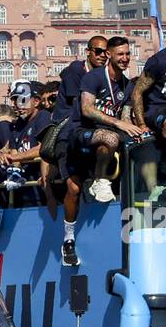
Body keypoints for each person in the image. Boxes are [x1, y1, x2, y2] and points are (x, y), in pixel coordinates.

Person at [57, 36, 143, 266]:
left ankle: (102, 181)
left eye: (127, 54)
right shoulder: (93, 77)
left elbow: (125, 118)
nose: (124, 59)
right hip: (80, 133)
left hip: (105, 141)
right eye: (120, 55)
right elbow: (86, 109)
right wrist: (118, 124)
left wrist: (137, 131)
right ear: (109, 56)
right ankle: (67, 238)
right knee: (73, 188)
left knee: (124, 142)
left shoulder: (128, 85)